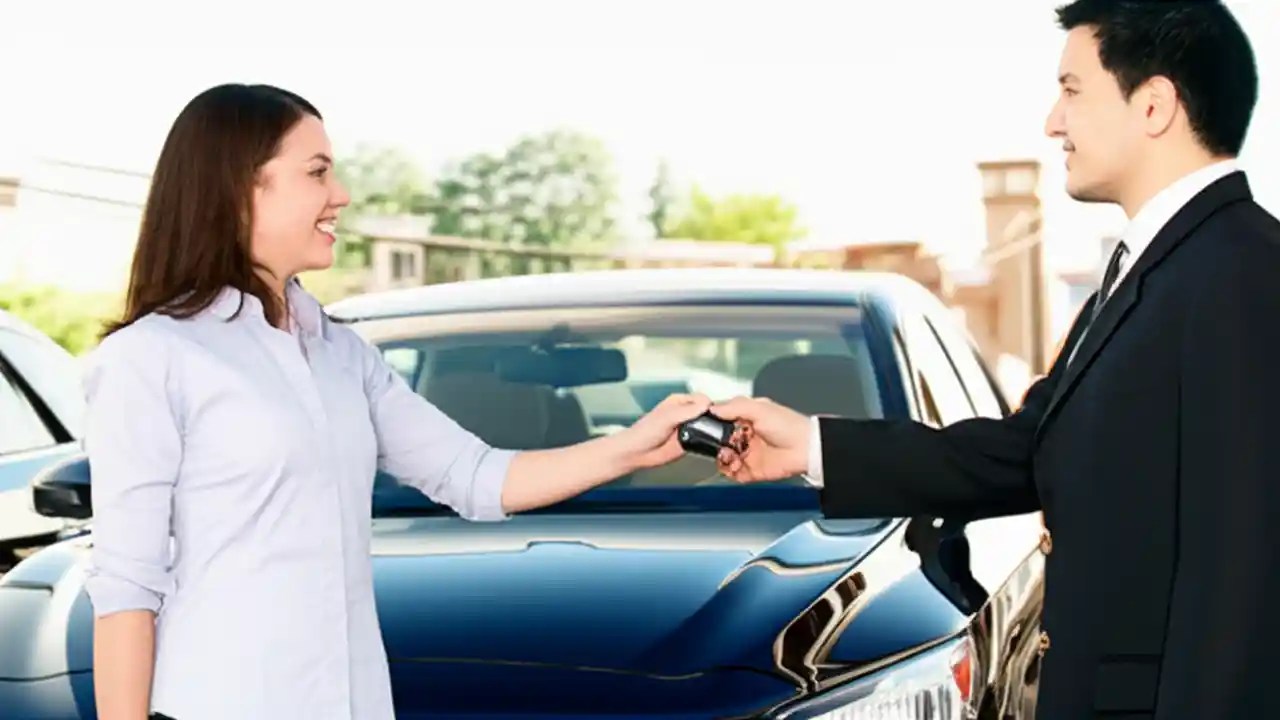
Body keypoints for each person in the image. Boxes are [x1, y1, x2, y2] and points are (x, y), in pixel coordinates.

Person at [712, 1, 1278, 718]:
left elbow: (1243, 582)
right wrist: (809, 444)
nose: (1053, 121)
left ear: (1155, 105)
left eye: (1072, 90)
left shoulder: (1245, 278)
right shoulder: (1158, 269)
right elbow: (1026, 451)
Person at [82, 83, 711, 720]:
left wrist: (632, 445)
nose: (342, 195)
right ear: (240, 187)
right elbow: (126, 590)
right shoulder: (152, 358)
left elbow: (474, 477)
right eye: (318, 172)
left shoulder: (341, 354)